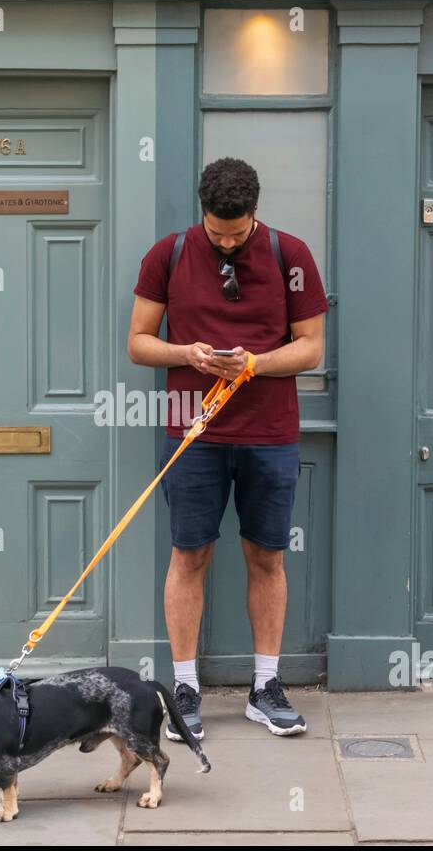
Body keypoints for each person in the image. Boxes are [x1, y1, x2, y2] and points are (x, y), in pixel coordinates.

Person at [127, 156, 328, 739]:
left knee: (267, 557)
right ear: (203, 212)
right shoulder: (167, 254)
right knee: (189, 556)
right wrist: (187, 353)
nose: (226, 242)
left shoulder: (291, 256)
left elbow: (311, 347)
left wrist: (256, 364)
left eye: (237, 234)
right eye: (217, 233)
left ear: (255, 214)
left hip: (269, 433)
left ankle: (265, 687)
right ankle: (184, 689)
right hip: (193, 433)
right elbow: (139, 343)